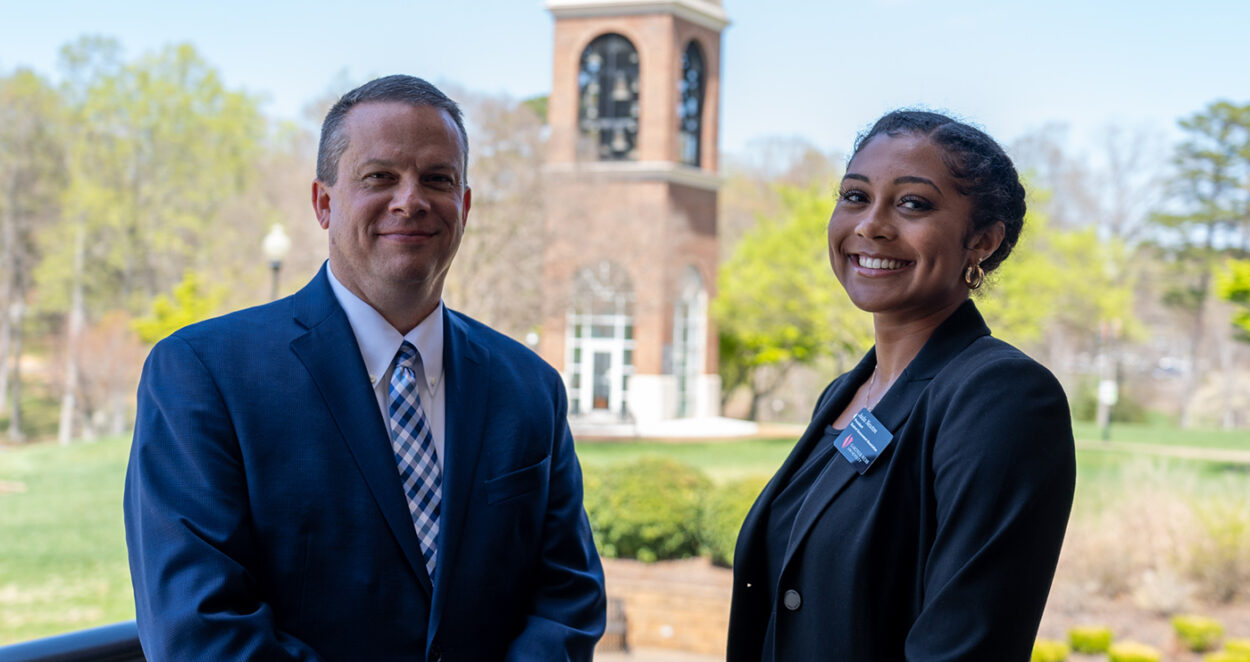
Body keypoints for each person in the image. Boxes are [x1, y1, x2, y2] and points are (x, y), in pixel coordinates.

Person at [123, 75, 606, 661]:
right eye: (379, 177)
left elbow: (568, 599)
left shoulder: (530, 387)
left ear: (465, 205)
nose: (411, 200)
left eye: (438, 179)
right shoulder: (203, 375)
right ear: (324, 203)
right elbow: (200, 629)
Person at [727, 110, 1076, 661]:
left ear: (981, 241)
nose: (871, 225)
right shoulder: (844, 393)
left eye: (913, 203)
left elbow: (965, 647)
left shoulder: (1000, 397)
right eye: (855, 196)